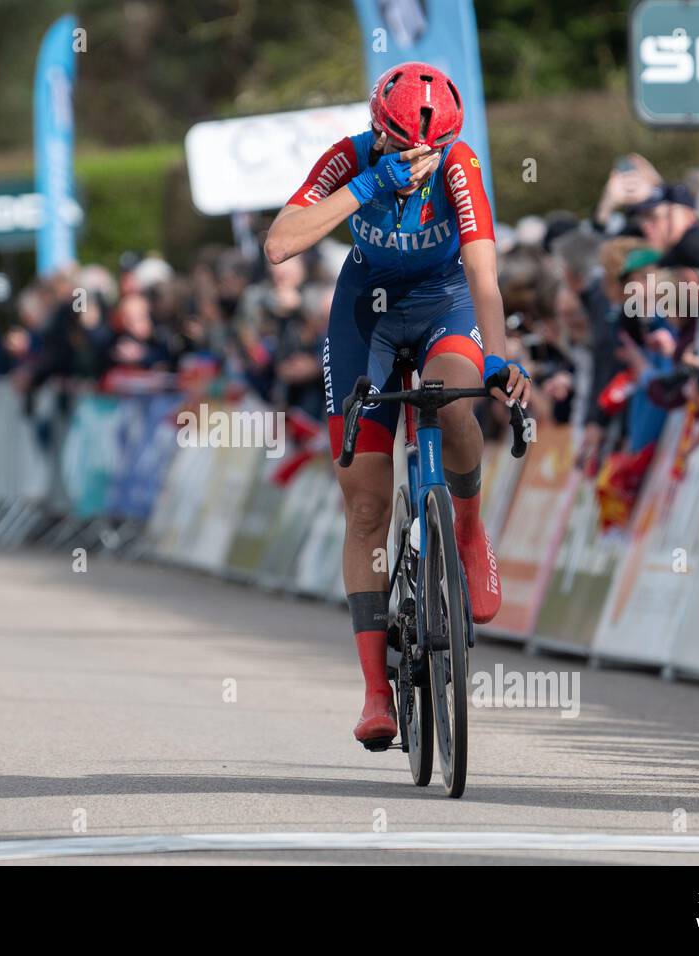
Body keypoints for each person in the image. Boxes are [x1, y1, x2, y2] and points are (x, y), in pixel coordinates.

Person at [264, 61, 530, 746]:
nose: (420, 158)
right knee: (366, 506)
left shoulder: (458, 165)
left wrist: (498, 355)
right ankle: (375, 693)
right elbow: (281, 243)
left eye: (431, 147)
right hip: (367, 316)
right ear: (379, 129)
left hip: (445, 303)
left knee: (454, 399)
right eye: (405, 146)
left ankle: (468, 534)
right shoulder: (351, 157)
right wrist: (368, 185)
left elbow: (483, 272)